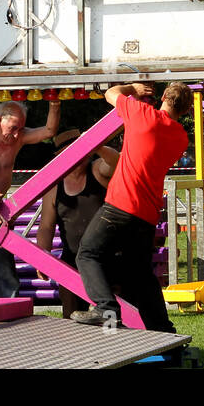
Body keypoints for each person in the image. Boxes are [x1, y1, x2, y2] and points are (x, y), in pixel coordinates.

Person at [71, 81, 192, 331]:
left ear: (164, 97)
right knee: (140, 275)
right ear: (187, 111)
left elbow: (110, 94)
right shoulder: (180, 137)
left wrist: (132, 89)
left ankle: (106, 308)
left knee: (88, 253)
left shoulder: (142, 114)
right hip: (147, 215)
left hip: (121, 204)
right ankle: (163, 331)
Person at [0, 100, 77, 298]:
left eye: (21, 128)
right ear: (0, 120)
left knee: (5, 271)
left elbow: (48, 130)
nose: (17, 134)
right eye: (13, 128)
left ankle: (10, 317)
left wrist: (55, 103)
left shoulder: (18, 137)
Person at [36, 135, 119, 318]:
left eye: (80, 151)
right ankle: (77, 347)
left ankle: (112, 343)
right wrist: (43, 256)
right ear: (61, 157)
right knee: (72, 317)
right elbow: (46, 227)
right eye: (71, 153)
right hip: (72, 261)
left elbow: (116, 162)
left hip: (108, 258)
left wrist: (96, 145)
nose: (77, 157)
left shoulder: (97, 170)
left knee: (112, 320)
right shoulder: (54, 187)